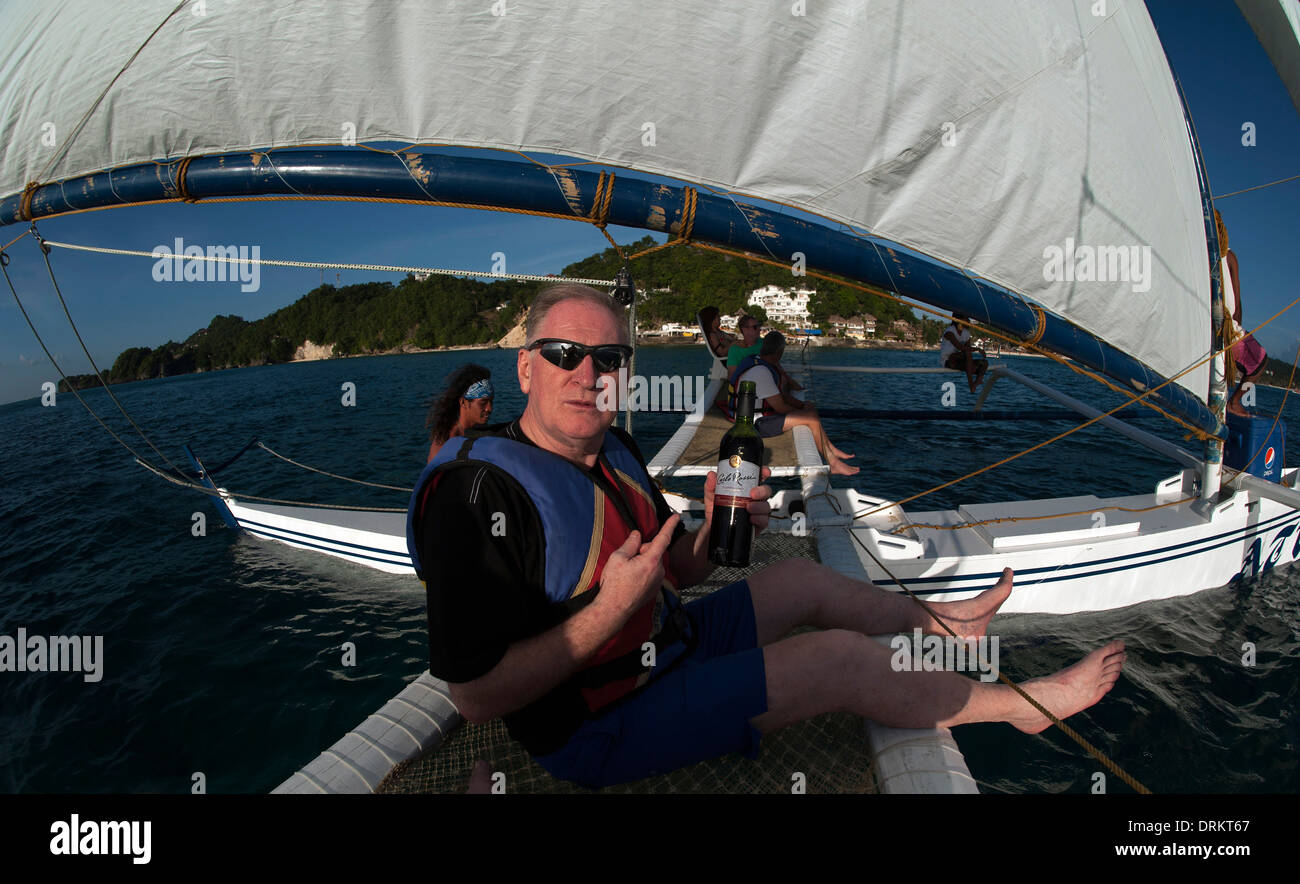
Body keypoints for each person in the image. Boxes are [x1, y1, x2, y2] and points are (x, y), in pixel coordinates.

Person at [407, 283, 1126, 790]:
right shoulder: (477, 494)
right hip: (597, 724)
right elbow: (474, 698)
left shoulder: (617, 450)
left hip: (671, 643)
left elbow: (679, 571)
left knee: (803, 581)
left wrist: (716, 527)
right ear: (526, 366)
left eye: (609, 360)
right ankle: (1025, 710)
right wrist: (610, 609)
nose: (587, 373)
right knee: (842, 660)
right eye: (564, 353)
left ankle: (946, 624)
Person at [734, 331, 860, 476]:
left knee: (809, 411)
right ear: (780, 352)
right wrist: (801, 410)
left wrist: (802, 406)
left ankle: (831, 448)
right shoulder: (762, 372)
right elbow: (780, 407)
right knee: (811, 419)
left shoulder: (757, 361)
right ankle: (834, 463)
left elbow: (781, 394)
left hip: (752, 416)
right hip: (754, 424)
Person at [1218, 210, 1266, 418]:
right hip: (1226, 327)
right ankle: (1235, 403)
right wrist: (1237, 328)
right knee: (1260, 361)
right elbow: (1237, 302)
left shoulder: (1201, 256)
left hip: (1212, 327)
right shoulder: (1228, 256)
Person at [425, 364, 494, 461]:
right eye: (483, 402)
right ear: (464, 402)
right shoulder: (448, 440)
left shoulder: (477, 432)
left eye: (491, 401)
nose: (489, 408)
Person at [940, 312, 988, 393]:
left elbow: (967, 348)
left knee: (984, 363)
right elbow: (961, 347)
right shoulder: (950, 332)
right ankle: (971, 384)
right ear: (959, 320)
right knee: (967, 353)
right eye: (966, 318)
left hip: (962, 360)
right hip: (948, 360)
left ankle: (977, 381)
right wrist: (978, 349)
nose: (968, 321)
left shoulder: (966, 333)